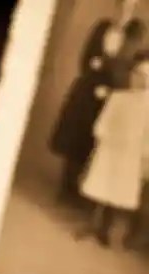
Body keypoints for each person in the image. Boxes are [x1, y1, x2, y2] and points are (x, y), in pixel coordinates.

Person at [50, 0, 145, 208]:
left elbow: (130, 68)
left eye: (130, 8)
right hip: (88, 87)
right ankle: (66, 187)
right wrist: (94, 71)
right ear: (115, 7)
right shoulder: (102, 27)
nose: (124, 12)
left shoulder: (136, 35)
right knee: (75, 135)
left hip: (112, 94)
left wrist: (110, 82)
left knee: (97, 143)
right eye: (121, 6)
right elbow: (86, 58)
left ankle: (87, 196)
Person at [79, 54, 149, 247]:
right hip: (109, 148)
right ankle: (91, 226)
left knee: (116, 193)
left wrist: (144, 157)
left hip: (129, 155)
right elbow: (104, 121)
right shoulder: (119, 97)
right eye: (136, 74)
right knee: (99, 186)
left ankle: (105, 231)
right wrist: (102, 136)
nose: (138, 79)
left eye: (144, 76)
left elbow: (146, 136)